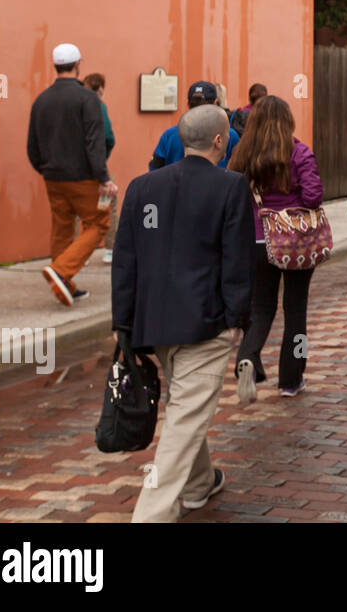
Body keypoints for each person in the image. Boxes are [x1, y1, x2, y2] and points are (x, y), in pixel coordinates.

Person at [112, 105, 255, 523]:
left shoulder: (141, 187)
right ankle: (150, 514)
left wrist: (123, 324)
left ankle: (199, 485)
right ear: (218, 141)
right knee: (182, 422)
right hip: (205, 323)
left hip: (154, 322)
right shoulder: (232, 187)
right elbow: (237, 261)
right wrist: (237, 320)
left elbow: (126, 260)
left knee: (185, 408)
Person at [230, 95, 324, 401]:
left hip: (256, 241)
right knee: (296, 311)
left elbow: (234, 198)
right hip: (294, 242)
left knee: (260, 308)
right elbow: (312, 197)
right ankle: (291, 379)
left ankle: (248, 355)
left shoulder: (243, 156)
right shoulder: (298, 152)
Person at [26, 43, 115, 306]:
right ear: (78, 65)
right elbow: (94, 143)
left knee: (62, 228)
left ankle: (63, 283)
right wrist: (104, 177)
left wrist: (44, 168)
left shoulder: (41, 99)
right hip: (82, 176)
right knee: (98, 223)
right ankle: (62, 271)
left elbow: (32, 145)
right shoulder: (88, 99)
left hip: (52, 176)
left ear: (56, 66)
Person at [149, 81, 239, 170]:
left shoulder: (169, 135)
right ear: (215, 103)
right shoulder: (228, 134)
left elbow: (154, 169)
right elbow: (240, 167)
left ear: (188, 104)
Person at [83, 73, 117, 265]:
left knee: (78, 209)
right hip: (96, 167)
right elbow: (108, 137)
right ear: (100, 88)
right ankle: (110, 249)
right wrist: (102, 159)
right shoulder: (98, 106)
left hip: (74, 169)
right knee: (108, 206)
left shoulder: (74, 103)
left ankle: (79, 250)